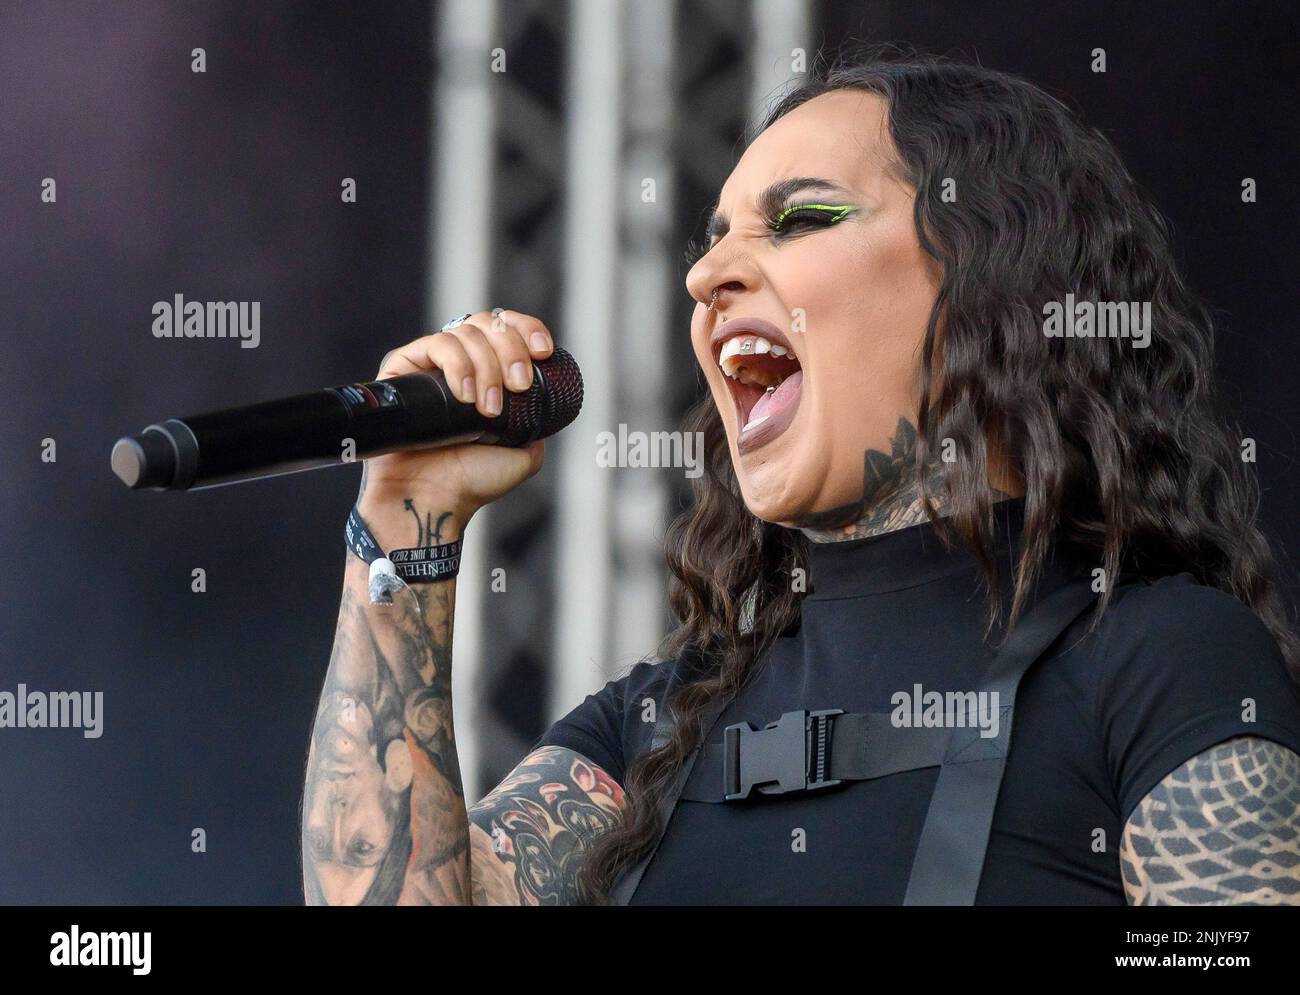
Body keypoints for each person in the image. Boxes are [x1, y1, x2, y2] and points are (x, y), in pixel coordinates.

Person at [300, 48, 1300, 905]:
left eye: (802, 218)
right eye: (714, 237)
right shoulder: (664, 716)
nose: (706, 275)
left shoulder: (1165, 661)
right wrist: (404, 525)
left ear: (994, 280)